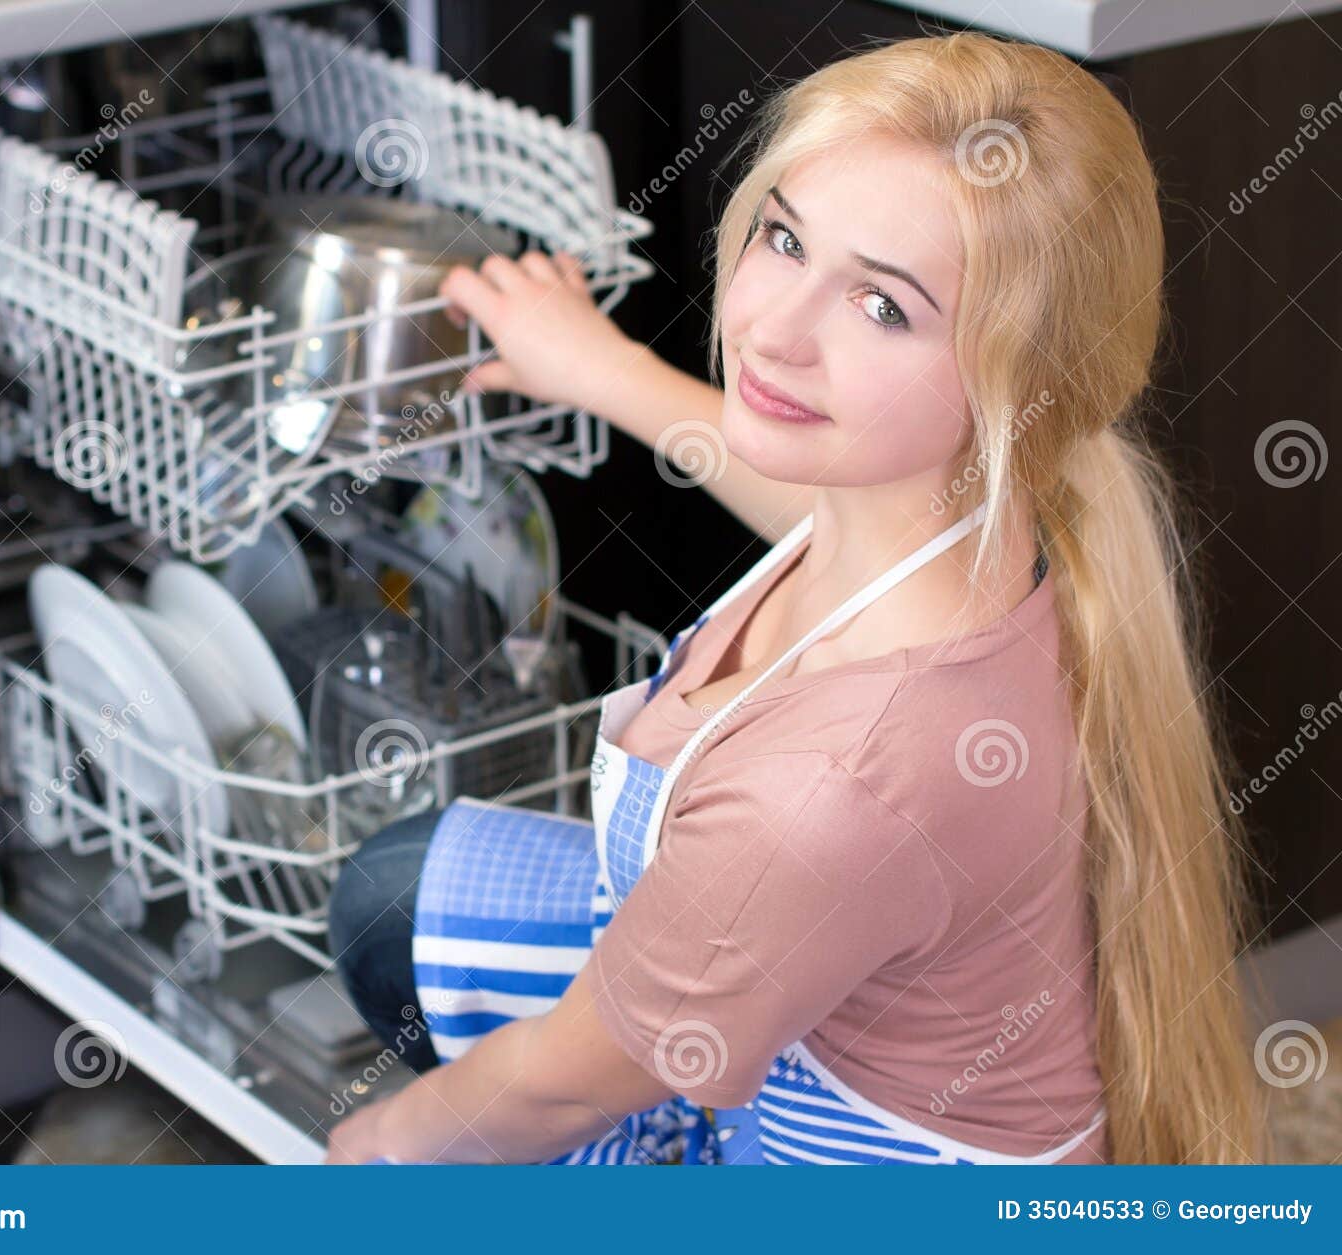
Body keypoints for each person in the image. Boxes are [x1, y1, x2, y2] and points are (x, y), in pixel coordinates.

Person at [323, 29, 1270, 1165]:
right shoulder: (981, 524)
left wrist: (361, 1155)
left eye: (882, 308)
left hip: (823, 1166)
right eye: (783, 237)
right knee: (394, 893)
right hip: (793, 1013)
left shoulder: (834, 785)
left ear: (1015, 383)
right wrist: (597, 366)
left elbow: (558, 1087)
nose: (770, 331)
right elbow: (788, 500)